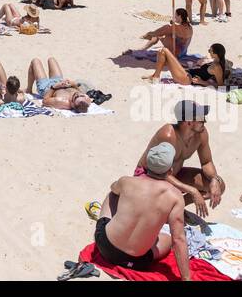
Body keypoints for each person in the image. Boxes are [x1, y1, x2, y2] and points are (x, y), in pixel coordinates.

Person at [91, 144, 191, 277]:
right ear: (170, 170)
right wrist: (187, 278)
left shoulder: (127, 181)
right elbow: (178, 239)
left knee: (113, 193)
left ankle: (110, 221)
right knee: (166, 239)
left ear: (147, 165)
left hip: (105, 246)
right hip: (137, 261)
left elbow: (113, 188)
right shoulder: (175, 197)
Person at [134, 100, 224, 216]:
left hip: (173, 175)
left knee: (219, 186)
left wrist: (214, 180)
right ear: (189, 122)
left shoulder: (201, 133)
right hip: (151, 177)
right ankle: (169, 209)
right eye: (201, 119)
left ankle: (178, 208)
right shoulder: (168, 135)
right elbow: (161, 173)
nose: (205, 121)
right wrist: (192, 190)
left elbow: (206, 162)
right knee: (160, 204)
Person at [145, 40, 230, 87]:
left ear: (216, 54)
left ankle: (155, 77)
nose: (208, 52)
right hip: (187, 74)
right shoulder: (215, 61)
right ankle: (155, 76)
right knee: (163, 54)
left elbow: (220, 86)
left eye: (210, 51)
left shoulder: (217, 67)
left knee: (164, 50)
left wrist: (202, 82)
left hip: (187, 79)